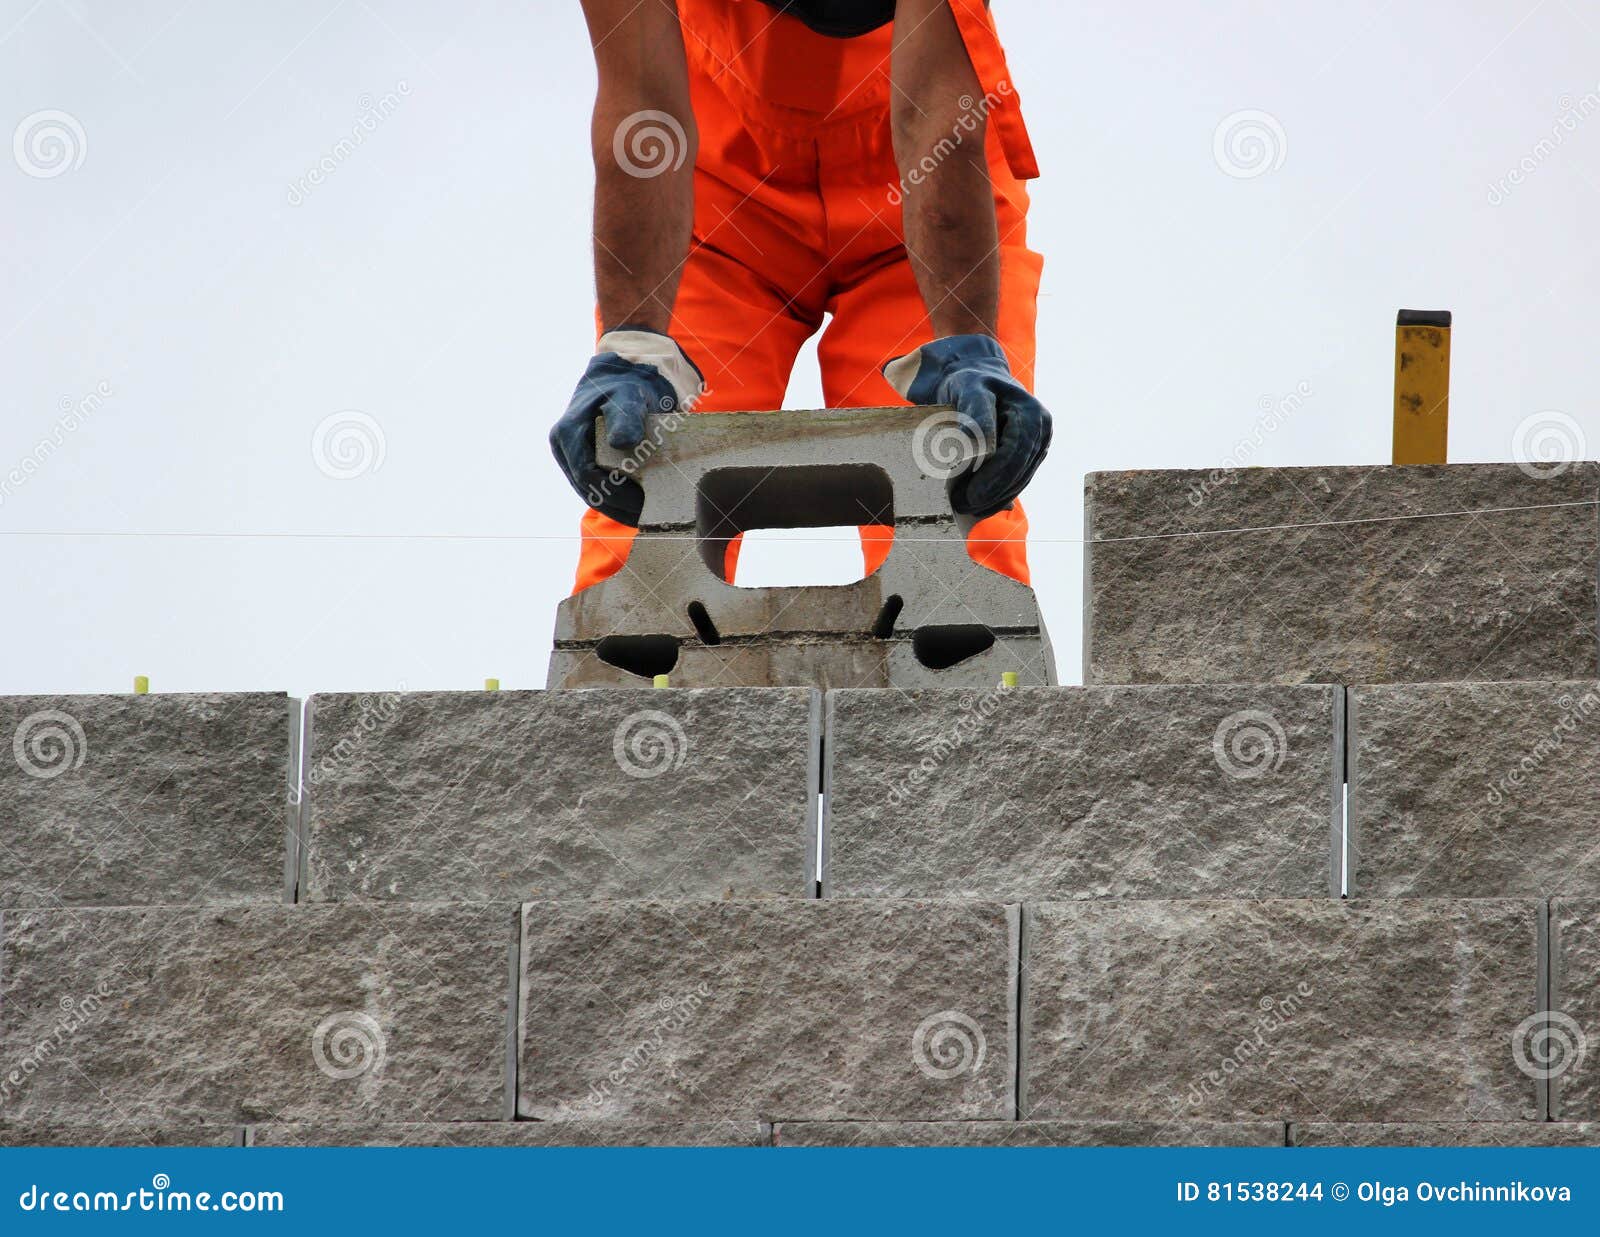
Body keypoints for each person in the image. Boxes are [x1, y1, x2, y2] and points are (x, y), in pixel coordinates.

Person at [551, 0, 1052, 592]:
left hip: (925, 198)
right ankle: (632, 678)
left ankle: (960, 679)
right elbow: (642, 110)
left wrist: (966, 343)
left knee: (956, 503)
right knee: (645, 502)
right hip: (716, 201)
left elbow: (936, 117)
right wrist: (634, 344)